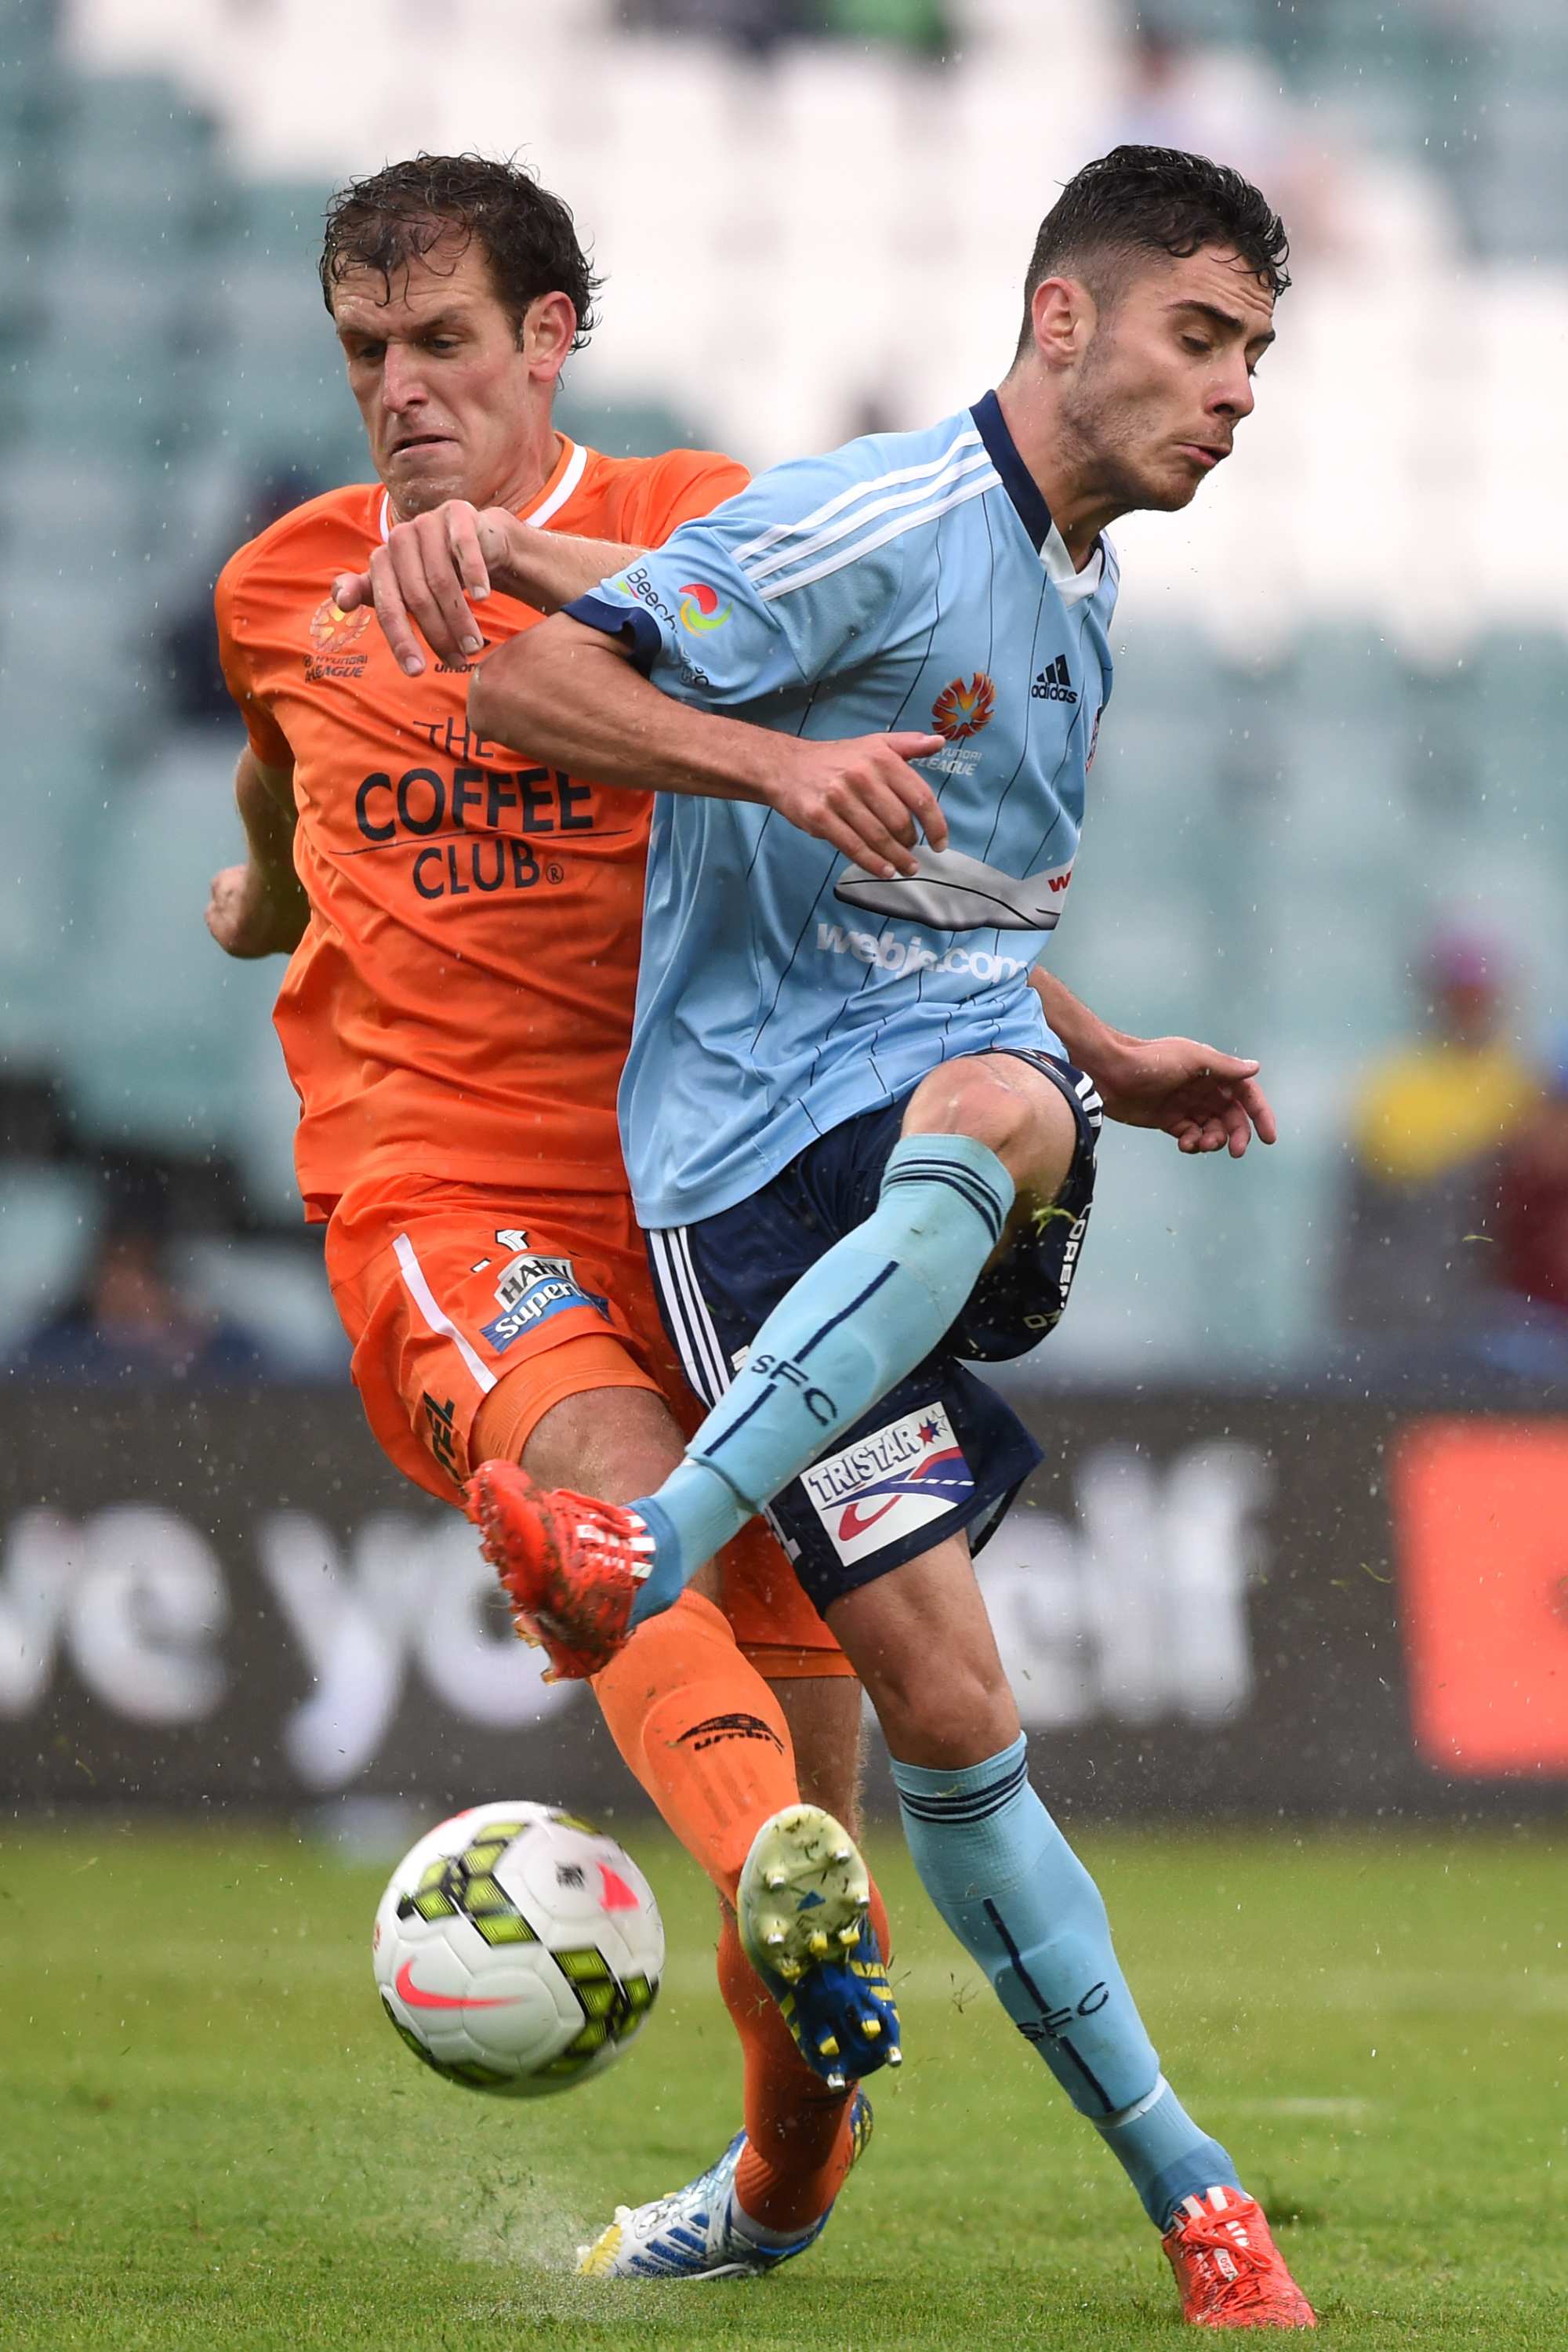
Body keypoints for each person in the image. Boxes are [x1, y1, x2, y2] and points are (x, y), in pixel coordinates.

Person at [460, 145, 1315, 2327]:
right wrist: (768, 767)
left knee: (955, 1684)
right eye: (1199, 337)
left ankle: (1200, 2204)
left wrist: (1115, 1056)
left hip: (926, 1150)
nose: (1232, 393)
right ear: (1060, 320)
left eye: (1254, 357)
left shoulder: (1081, 590)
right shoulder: (881, 526)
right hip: (753, 1180)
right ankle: (649, 1561)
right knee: (946, 1690)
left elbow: (965, 925)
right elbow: (529, 695)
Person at [205, 152, 897, 2285]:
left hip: (712, 1208)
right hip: (439, 1188)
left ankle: (777, 2179)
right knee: (593, 1502)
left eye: (440, 342)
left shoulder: (693, 519)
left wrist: (524, 568)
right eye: (366, 352)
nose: (399, 388)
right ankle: (768, 1845)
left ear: (547, 339)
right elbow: (279, 781)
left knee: (817, 1915)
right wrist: (262, 899)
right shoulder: (285, 586)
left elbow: (838, 723)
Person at [1335, 927, 1534, 1359]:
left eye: (1477, 992)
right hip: (1401, 1314)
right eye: (1460, 992)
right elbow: (1364, 1219)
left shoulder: (1524, 1084)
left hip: (1488, 1316)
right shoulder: (1391, 1087)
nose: (1469, 1005)